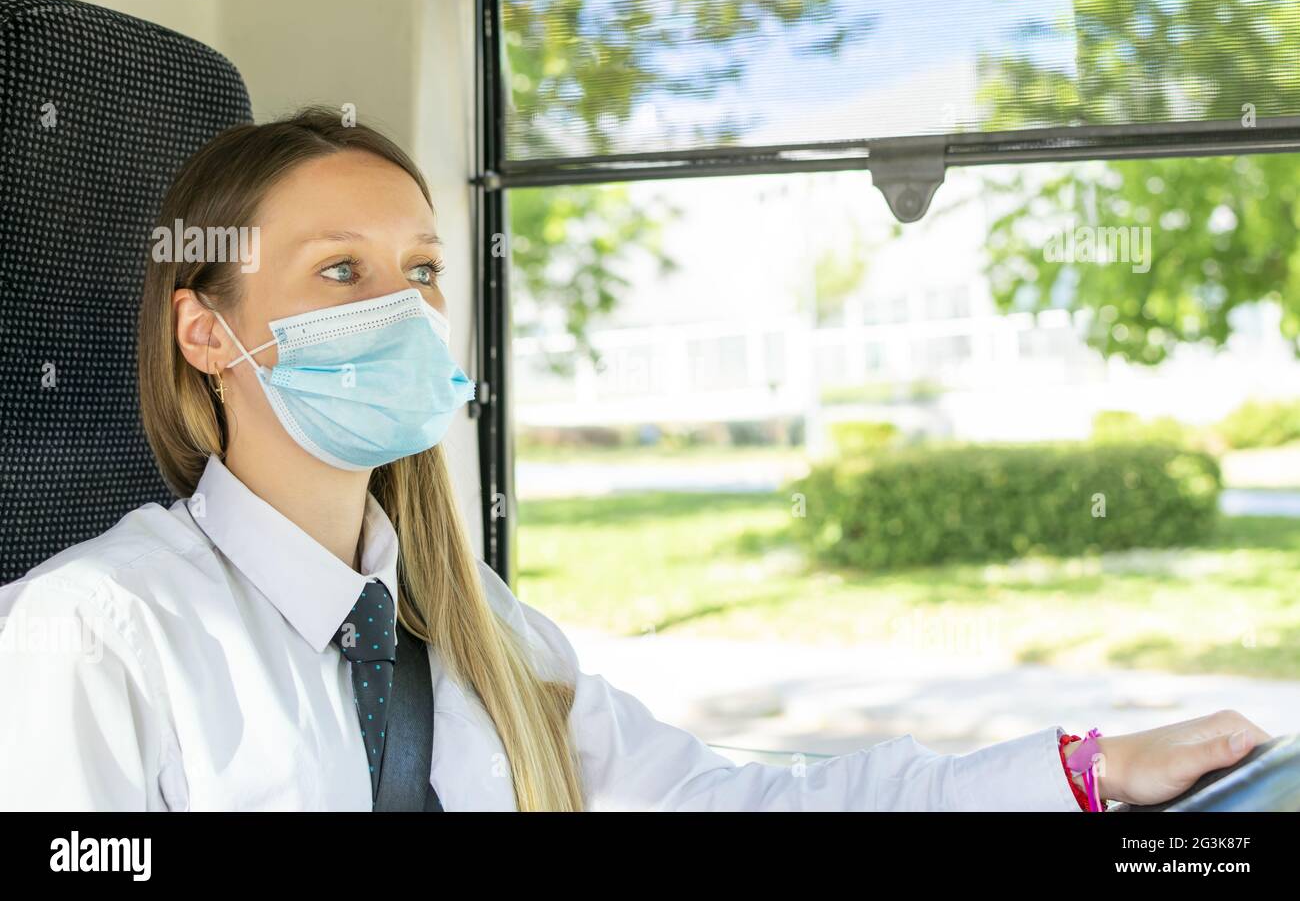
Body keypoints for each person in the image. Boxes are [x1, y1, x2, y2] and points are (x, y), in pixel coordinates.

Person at [0, 107, 1271, 811]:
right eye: (343, 270)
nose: (401, 309)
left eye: (424, 270)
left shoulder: (474, 622)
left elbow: (723, 807)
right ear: (206, 328)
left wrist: (1078, 771)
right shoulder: (88, 635)